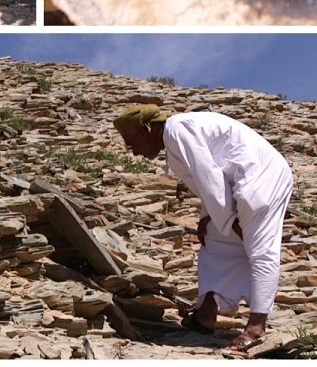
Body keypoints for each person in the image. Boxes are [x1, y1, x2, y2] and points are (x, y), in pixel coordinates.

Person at [113, 105, 293, 351]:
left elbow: (211, 177)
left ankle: (256, 327)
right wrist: (209, 217)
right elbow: (211, 175)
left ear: (144, 131)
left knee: (260, 249)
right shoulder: (174, 136)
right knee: (215, 240)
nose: (134, 152)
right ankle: (206, 314)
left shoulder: (178, 129)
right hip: (240, 181)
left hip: (261, 177)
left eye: (130, 142)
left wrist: (230, 221)